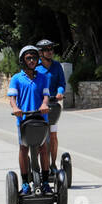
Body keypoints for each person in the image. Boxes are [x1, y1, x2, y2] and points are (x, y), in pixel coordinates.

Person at [6, 45, 53, 196]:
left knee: (44, 148)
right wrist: (15, 108)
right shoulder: (16, 78)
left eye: (34, 58)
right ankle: (25, 182)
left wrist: (45, 104)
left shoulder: (43, 77)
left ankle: (45, 182)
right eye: (29, 58)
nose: (32, 60)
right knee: (23, 149)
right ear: (23, 60)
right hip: (24, 119)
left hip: (41, 118)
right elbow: (12, 98)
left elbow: (46, 95)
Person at [35, 39, 68, 180]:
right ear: (41, 53)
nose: (51, 52)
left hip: (53, 106)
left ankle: (53, 164)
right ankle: (37, 166)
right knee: (39, 138)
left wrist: (60, 92)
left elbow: (62, 82)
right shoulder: (35, 68)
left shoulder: (57, 66)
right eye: (47, 49)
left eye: (51, 49)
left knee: (53, 136)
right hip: (39, 107)